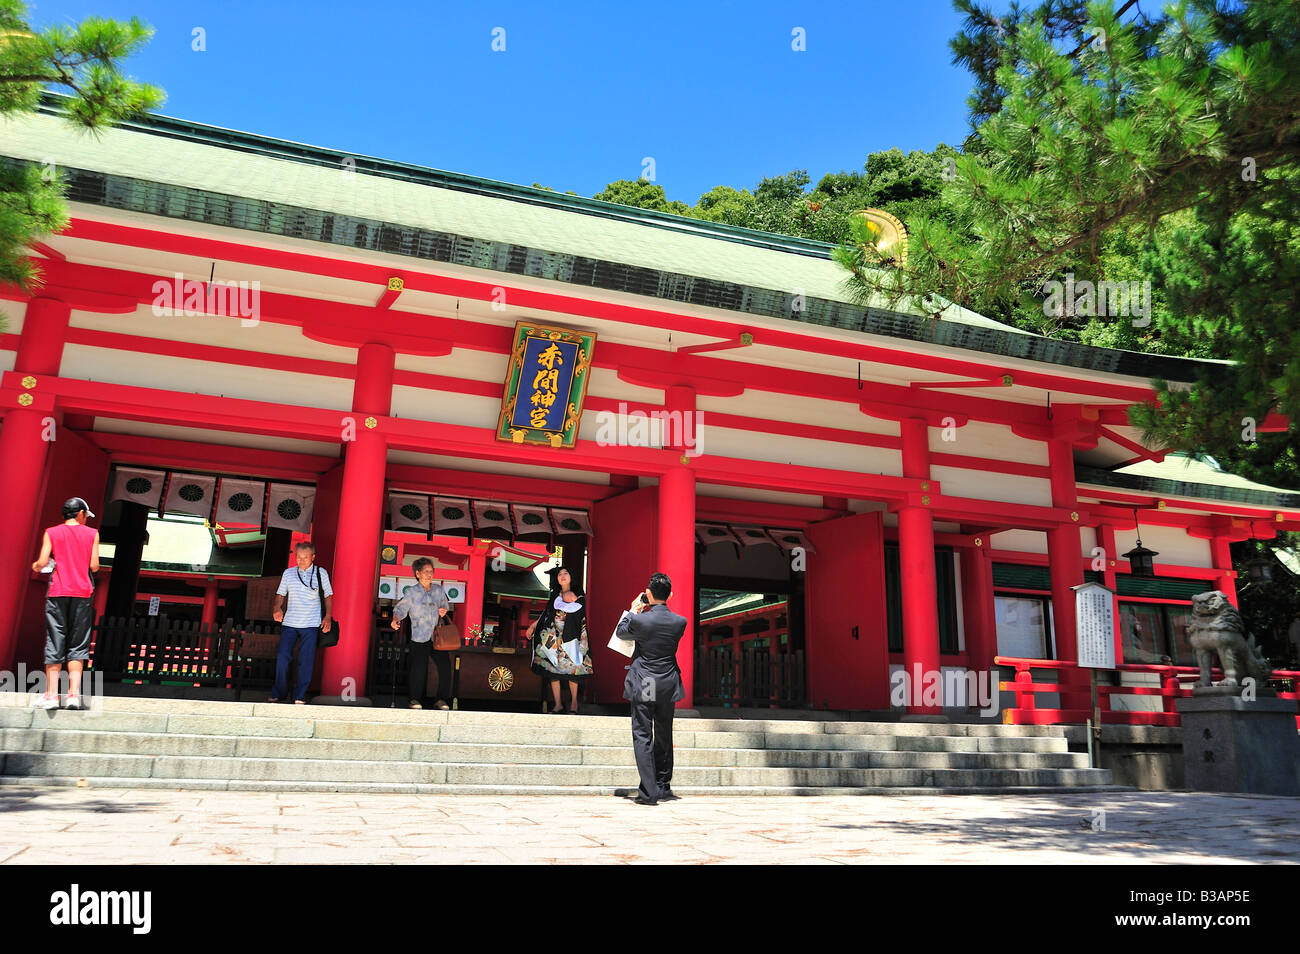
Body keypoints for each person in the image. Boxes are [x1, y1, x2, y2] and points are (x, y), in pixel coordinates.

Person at [615, 572, 688, 805]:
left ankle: (649, 791)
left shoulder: (640, 619)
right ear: (671, 595)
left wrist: (633, 609)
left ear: (647, 593)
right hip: (668, 681)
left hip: (646, 680)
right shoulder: (680, 622)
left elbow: (621, 632)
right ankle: (663, 784)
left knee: (643, 733)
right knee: (664, 732)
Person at [30, 497, 100, 710]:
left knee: (55, 639)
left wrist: (36, 566)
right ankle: (73, 695)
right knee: (78, 643)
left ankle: (51, 696)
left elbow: (42, 562)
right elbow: (95, 566)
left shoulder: (51, 532)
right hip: (82, 593)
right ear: (80, 513)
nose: (86, 519)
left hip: (58, 591)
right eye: (86, 515)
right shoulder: (92, 534)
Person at [270, 541, 332, 704]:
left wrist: (328, 616)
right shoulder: (288, 573)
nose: (301, 560)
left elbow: (328, 596)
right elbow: (280, 594)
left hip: (311, 623)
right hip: (290, 622)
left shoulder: (321, 573)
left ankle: (299, 695)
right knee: (283, 657)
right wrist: (277, 607)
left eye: (305, 557)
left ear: (313, 557)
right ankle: (280, 692)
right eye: (298, 557)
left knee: (306, 660)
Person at [526, 566, 592, 713]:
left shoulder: (578, 592)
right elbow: (546, 613)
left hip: (571, 634)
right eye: (559, 574)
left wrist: (569, 597)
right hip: (553, 636)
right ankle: (558, 704)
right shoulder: (555, 594)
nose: (562, 576)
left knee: (572, 667)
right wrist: (532, 626)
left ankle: (574, 703)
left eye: (566, 573)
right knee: (552, 667)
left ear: (571, 577)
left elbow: (580, 612)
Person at [390, 558, 451, 709]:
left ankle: (441, 699)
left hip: (436, 637)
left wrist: (444, 610)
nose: (429, 574)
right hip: (419, 636)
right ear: (418, 573)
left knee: (445, 667)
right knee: (418, 669)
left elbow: (445, 605)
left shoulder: (438, 590)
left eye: (431, 571)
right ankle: (414, 699)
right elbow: (400, 609)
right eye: (426, 572)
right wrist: (395, 619)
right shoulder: (412, 592)